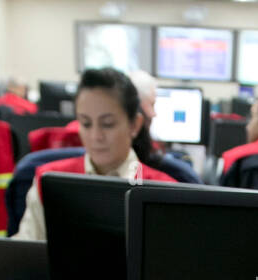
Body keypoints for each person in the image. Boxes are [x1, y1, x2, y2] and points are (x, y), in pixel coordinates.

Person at [13, 67, 176, 241]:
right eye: (86, 123)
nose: (95, 136)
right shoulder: (48, 181)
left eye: (107, 124)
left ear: (135, 125)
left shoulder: (164, 191)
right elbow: (27, 253)